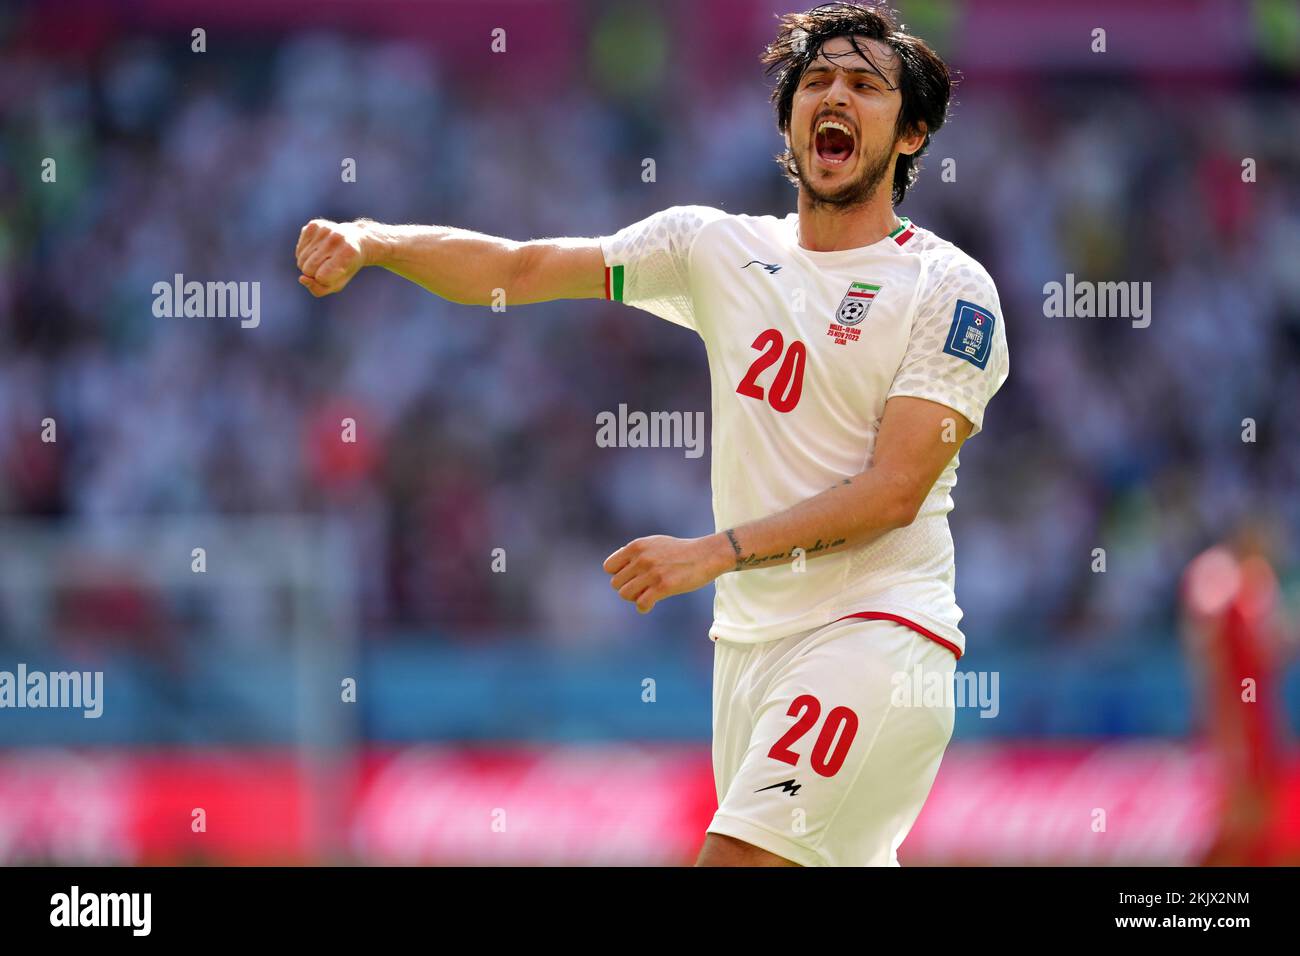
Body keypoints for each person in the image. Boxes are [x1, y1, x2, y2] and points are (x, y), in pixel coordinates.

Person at [294, 2, 1008, 866]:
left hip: (877, 633)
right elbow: (520, 268)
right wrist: (376, 239)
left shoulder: (946, 287)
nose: (836, 96)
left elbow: (896, 492)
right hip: (749, 654)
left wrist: (716, 551)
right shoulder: (712, 248)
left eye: (866, 85)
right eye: (816, 80)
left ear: (913, 134)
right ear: (787, 118)